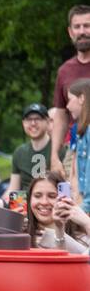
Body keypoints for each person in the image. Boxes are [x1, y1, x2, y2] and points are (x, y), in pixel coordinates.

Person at [52, 6, 90, 162]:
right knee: (67, 186)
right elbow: (61, 116)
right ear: (70, 32)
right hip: (76, 147)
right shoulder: (64, 71)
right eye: (77, 26)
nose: (82, 31)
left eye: (87, 26)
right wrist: (54, 155)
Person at [27, 175, 90, 253]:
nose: (44, 202)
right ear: (29, 200)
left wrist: (87, 223)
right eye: (37, 196)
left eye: (52, 196)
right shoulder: (20, 237)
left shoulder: (83, 237)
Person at [10, 104, 54, 194]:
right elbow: (13, 188)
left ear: (48, 122)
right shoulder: (19, 152)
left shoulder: (58, 149)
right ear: (23, 123)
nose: (33, 123)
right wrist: (0, 202)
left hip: (49, 200)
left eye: (38, 119)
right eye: (29, 119)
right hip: (23, 200)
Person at [63, 79, 90, 212]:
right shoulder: (80, 132)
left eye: (70, 99)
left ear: (82, 98)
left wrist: (81, 210)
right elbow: (75, 172)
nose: (67, 106)